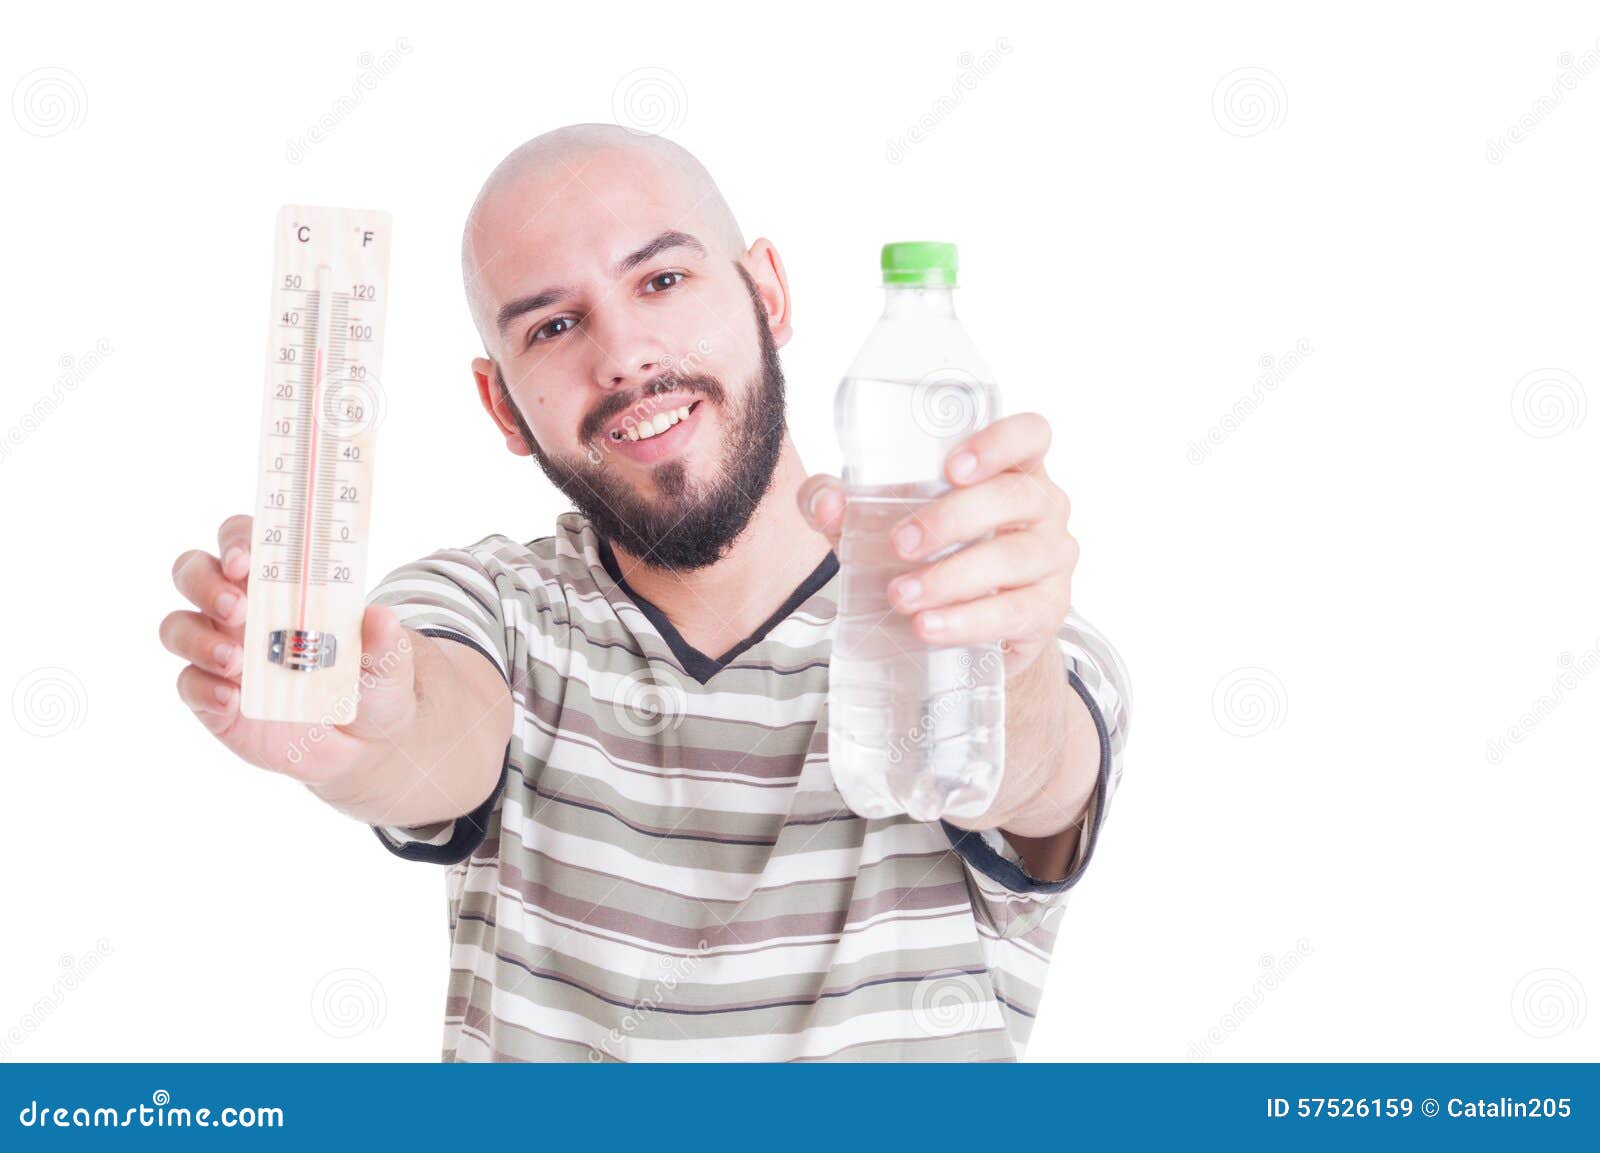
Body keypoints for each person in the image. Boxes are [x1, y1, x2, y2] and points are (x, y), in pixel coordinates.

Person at [161, 123, 1131, 1061]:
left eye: (662, 279)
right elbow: (431, 720)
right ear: (502, 403)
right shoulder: (491, 608)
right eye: (553, 325)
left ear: (768, 294)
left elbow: (1037, 765)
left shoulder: (993, 623)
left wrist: (996, 670)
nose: (622, 354)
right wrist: (358, 716)